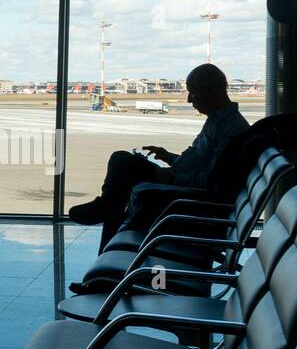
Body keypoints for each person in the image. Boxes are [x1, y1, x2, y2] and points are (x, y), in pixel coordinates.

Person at [68, 63, 250, 249]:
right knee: (121, 163)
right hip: (181, 181)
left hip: (187, 192)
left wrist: (174, 178)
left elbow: (215, 182)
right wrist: (168, 156)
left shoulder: (231, 130)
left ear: (210, 92)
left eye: (193, 93)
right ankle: (106, 208)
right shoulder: (219, 121)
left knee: (120, 174)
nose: (189, 100)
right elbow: (198, 162)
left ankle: (104, 210)